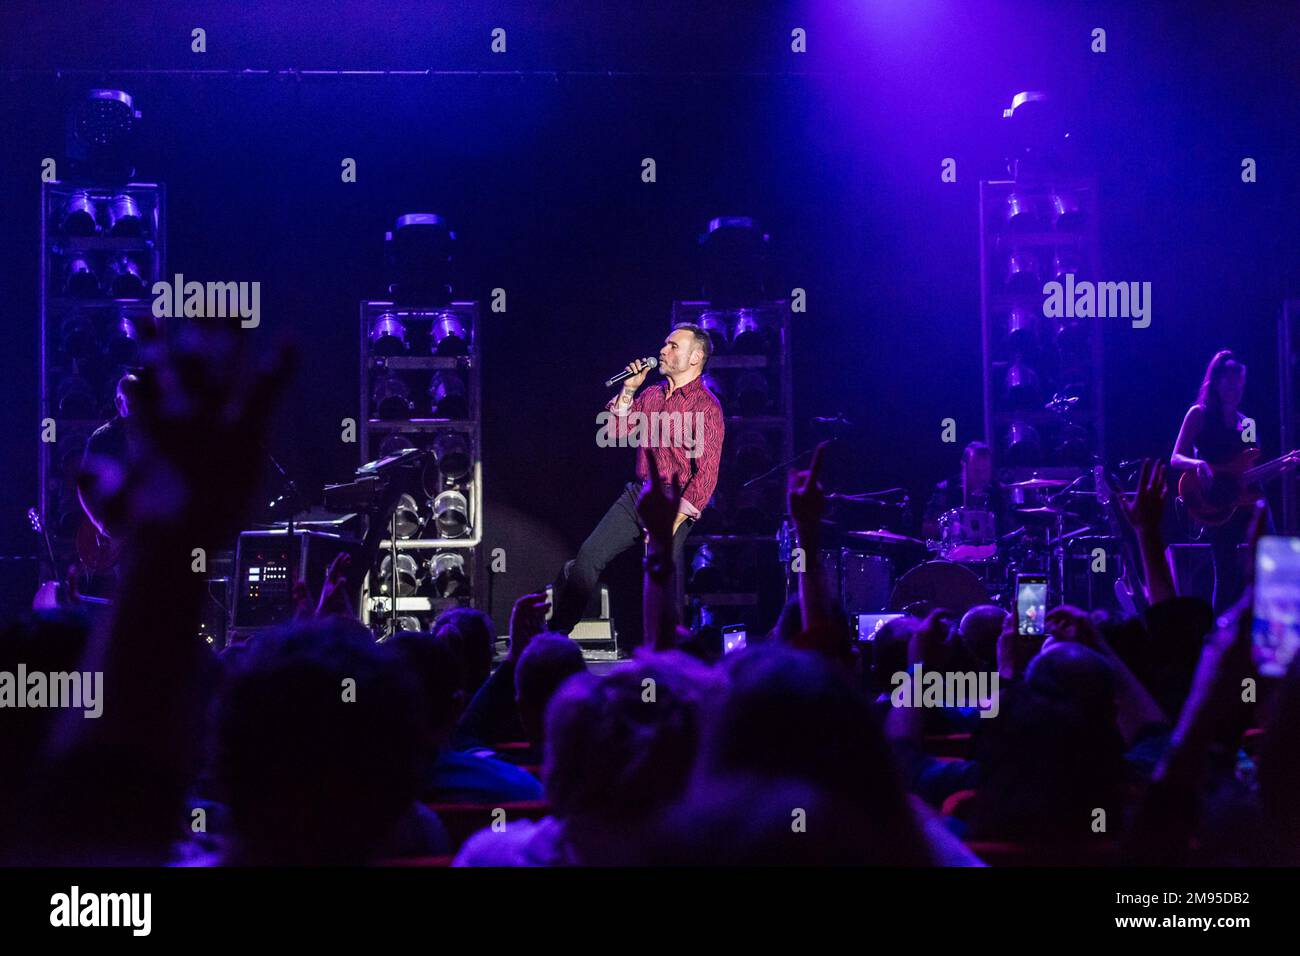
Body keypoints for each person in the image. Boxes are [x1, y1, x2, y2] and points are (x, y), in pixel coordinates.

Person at [548, 324, 724, 634]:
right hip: (638, 494)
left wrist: (668, 526)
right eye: (664, 345)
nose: (663, 351)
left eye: (672, 346)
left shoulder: (706, 407)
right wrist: (628, 390)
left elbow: (706, 475)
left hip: (674, 503)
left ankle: (659, 657)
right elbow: (615, 433)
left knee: (657, 578)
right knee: (588, 557)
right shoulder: (652, 394)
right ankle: (554, 637)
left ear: (696, 356)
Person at [1170, 350, 1264, 612]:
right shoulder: (1198, 414)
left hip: (1242, 499)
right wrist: (1198, 464)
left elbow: (1251, 463)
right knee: (1225, 572)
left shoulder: (1247, 423)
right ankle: (1217, 637)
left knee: (1261, 562)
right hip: (1214, 502)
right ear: (1217, 382)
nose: (1236, 388)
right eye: (1230, 382)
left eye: (1240, 383)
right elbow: (1175, 457)